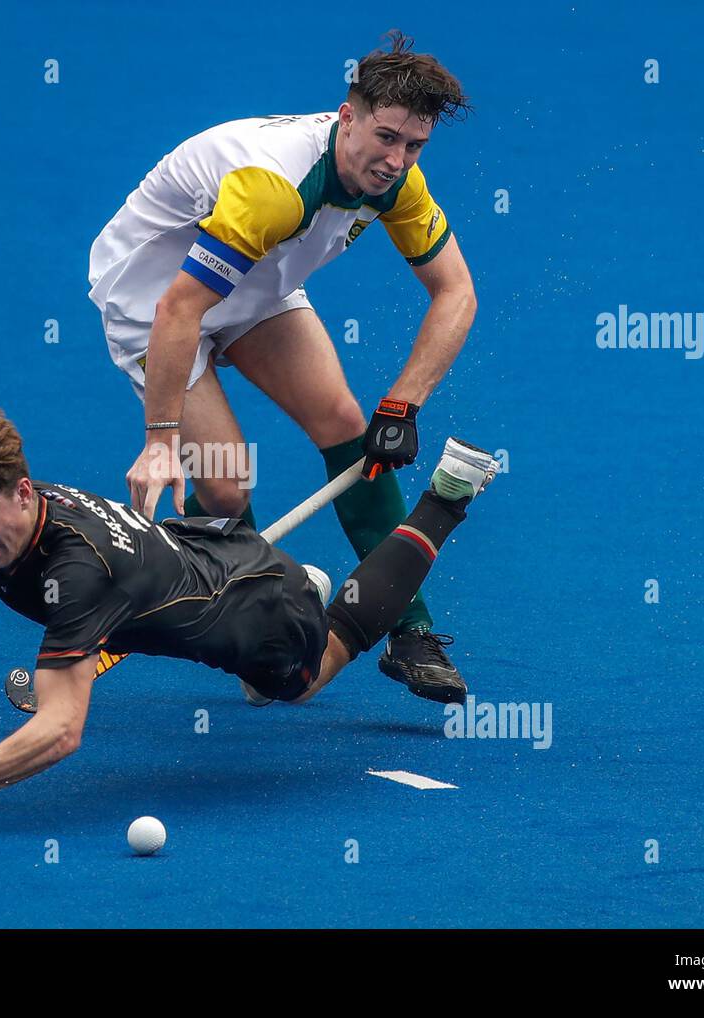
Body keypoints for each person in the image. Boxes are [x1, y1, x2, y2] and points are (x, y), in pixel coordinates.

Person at [0, 405, 496, 833]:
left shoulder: (76, 570)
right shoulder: (1, 527)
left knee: (304, 679)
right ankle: (298, 578)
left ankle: (446, 497)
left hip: (255, 613)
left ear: (22, 490)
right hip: (202, 549)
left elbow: (60, 731)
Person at [88, 30, 479, 704]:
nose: (397, 160)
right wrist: (160, 443)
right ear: (346, 116)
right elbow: (180, 311)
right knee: (229, 485)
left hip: (256, 283)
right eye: (386, 138)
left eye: (414, 146)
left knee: (345, 422)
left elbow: (457, 293)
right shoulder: (273, 184)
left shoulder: (397, 184)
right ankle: (249, 625)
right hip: (154, 297)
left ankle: (407, 630)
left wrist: (403, 405)